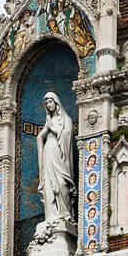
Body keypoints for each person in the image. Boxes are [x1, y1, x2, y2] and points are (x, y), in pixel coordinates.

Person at [37, 92, 76, 225]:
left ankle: (65, 215)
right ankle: (52, 216)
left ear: (56, 102)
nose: (48, 105)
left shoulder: (67, 120)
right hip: (48, 151)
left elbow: (67, 135)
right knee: (49, 184)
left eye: (50, 102)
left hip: (60, 153)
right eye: (46, 103)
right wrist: (46, 130)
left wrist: (53, 129)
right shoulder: (48, 122)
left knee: (62, 182)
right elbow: (39, 138)